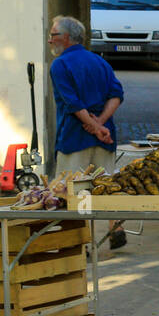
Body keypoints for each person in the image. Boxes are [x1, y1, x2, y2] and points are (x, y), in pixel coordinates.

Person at [49, 15, 128, 248]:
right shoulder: (100, 62)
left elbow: (72, 103)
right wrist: (101, 125)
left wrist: (94, 126)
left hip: (75, 137)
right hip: (105, 137)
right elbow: (117, 95)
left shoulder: (60, 65)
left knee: (74, 191)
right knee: (106, 184)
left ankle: (80, 243)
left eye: (53, 35)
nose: (50, 40)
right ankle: (116, 228)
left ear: (65, 37)